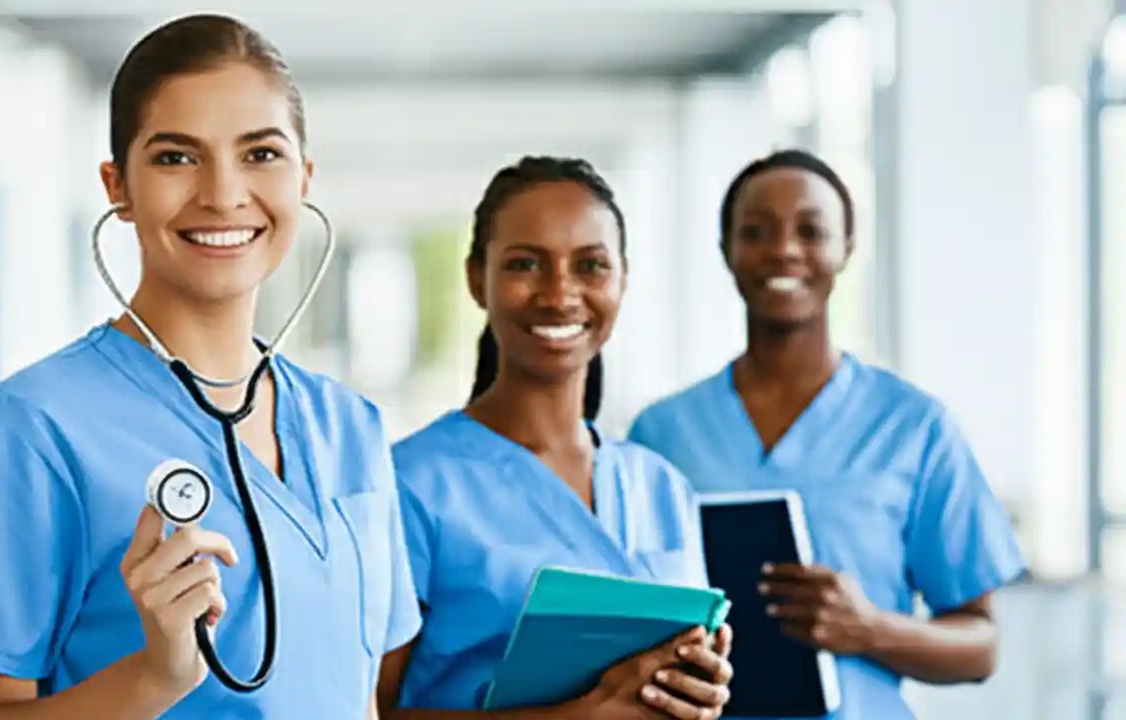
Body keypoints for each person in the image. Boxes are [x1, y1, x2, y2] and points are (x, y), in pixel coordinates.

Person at [0, 14, 419, 719]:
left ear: (304, 178)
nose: (223, 193)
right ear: (119, 186)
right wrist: (153, 678)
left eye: (261, 154)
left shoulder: (351, 426)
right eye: (176, 157)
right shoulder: (36, 426)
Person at [628, 149, 1026, 720]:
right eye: (756, 231)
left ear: (846, 247)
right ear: (726, 250)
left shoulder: (914, 428)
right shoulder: (662, 432)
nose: (784, 249)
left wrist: (869, 630)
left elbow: (980, 647)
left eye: (811, 230)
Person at [375, 156, 734, 720]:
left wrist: (699, 686)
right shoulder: (409, 486)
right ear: (476, 278)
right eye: (525, 264)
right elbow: (361, 712)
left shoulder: (660, 485)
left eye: (590, 265)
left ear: (622, 279)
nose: (560, 293)